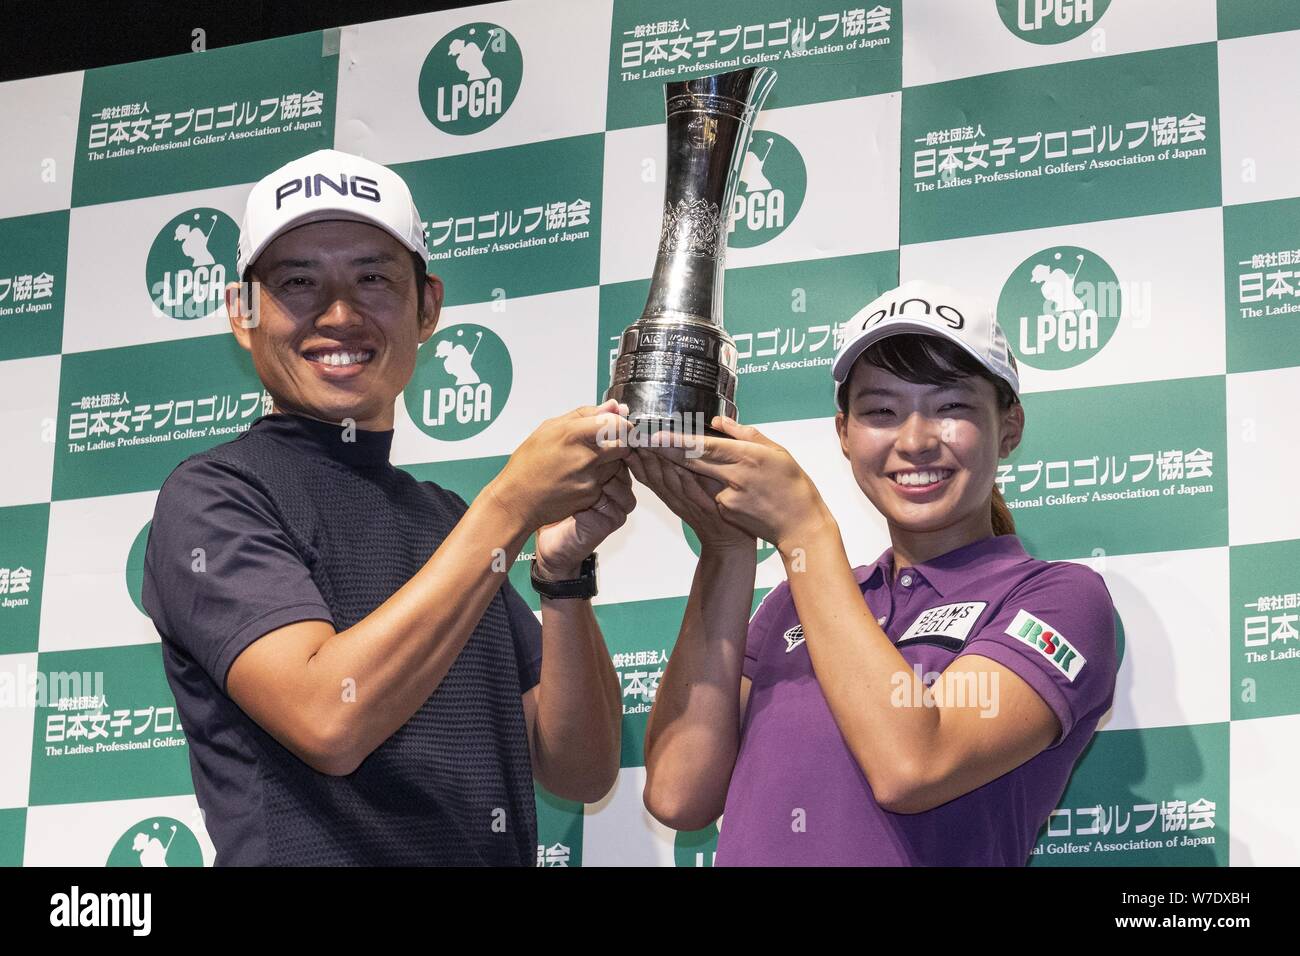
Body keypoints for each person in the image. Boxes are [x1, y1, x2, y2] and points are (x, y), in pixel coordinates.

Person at [142, 148, 631, 866]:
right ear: (242, 315)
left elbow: (579, 769)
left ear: (427, 306)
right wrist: (510, 505)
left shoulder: (450, 523)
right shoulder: (216, 496)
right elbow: (326, 718)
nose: (339, 314)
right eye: (298, 283)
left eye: (372, 278)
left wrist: (561, 578)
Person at [633, 279, 1119, 865]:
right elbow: (678, 794)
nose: (915, 441)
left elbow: (913, 765)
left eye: (952, 407)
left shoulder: (1056, 598)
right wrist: (726, 551)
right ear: (843, 433)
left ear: (1009, 426)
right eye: (881, 411)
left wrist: (805, 531)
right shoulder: (794, 602)